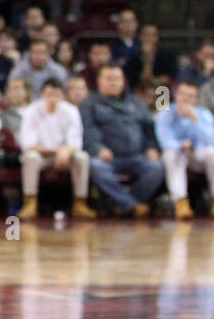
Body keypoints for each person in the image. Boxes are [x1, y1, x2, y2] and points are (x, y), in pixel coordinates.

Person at [80, 64, 163, 218]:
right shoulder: (89, 103)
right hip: (108, 157)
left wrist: (151, 148)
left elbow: (148, 129)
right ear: (99, 81)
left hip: (136, 156)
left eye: (118, 79)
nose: (114, 83)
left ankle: (125, 203)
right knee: (96, 167)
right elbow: (87, 130)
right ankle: (131, 205)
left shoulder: (136, 102)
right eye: (109, 79)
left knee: (157, 167)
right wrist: (98, 148)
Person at [18, 78, 94, 220]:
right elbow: (28, 144)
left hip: (64, 156)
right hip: (42, 156)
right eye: (49, 94)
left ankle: (80, 202)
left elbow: (76, 142)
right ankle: (30, 202)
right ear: (42, 95)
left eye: (56, 95)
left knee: (82, 157)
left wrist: (65, 151)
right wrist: (57, 151)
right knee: (30, 157)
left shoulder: (71, 111)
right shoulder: (31, 111)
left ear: (62, 95)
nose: (53, 99)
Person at [155, 81, 214, 220]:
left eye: (191, 96)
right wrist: (180, 145)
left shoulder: (203, 113)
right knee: (172, 154)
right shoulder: (165, 111)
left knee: (213, 153)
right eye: (183, 95)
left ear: (196, 99)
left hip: (197, 154)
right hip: (177, 153)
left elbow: (211, 140)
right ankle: (180, 202)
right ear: (176, 95)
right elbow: (164, 139)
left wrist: (195, 119)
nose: (186, 99)